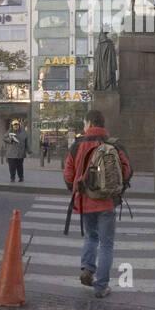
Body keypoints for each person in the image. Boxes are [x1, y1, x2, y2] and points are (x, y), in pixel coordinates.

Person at [63, 111, 129, 299]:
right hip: (107, 202)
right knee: (106, 244)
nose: (84, 127)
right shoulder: (114, 144)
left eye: (85, 124)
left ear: (90, 123)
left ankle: (87, 268)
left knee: (91, 236)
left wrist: (76, 188)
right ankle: (101, 287)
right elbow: (127, 169)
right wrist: (117, 188)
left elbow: (68, 172)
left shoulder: (77, 145)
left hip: (85, 201)